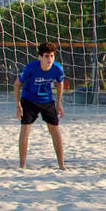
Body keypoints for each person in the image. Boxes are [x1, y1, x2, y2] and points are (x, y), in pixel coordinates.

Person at [14, 41, 66, 170]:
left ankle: (61, 165)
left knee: (55, 131)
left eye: (52, 56)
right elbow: (16, 84)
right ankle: (22, 165)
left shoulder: (57, 68)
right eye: (47, 56)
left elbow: (60, 83)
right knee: (25, 129)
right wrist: (18, 104)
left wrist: (59, 103)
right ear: (40, 57)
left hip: (47, 101)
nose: (50, 59)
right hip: (29, 100)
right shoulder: (30, 68)